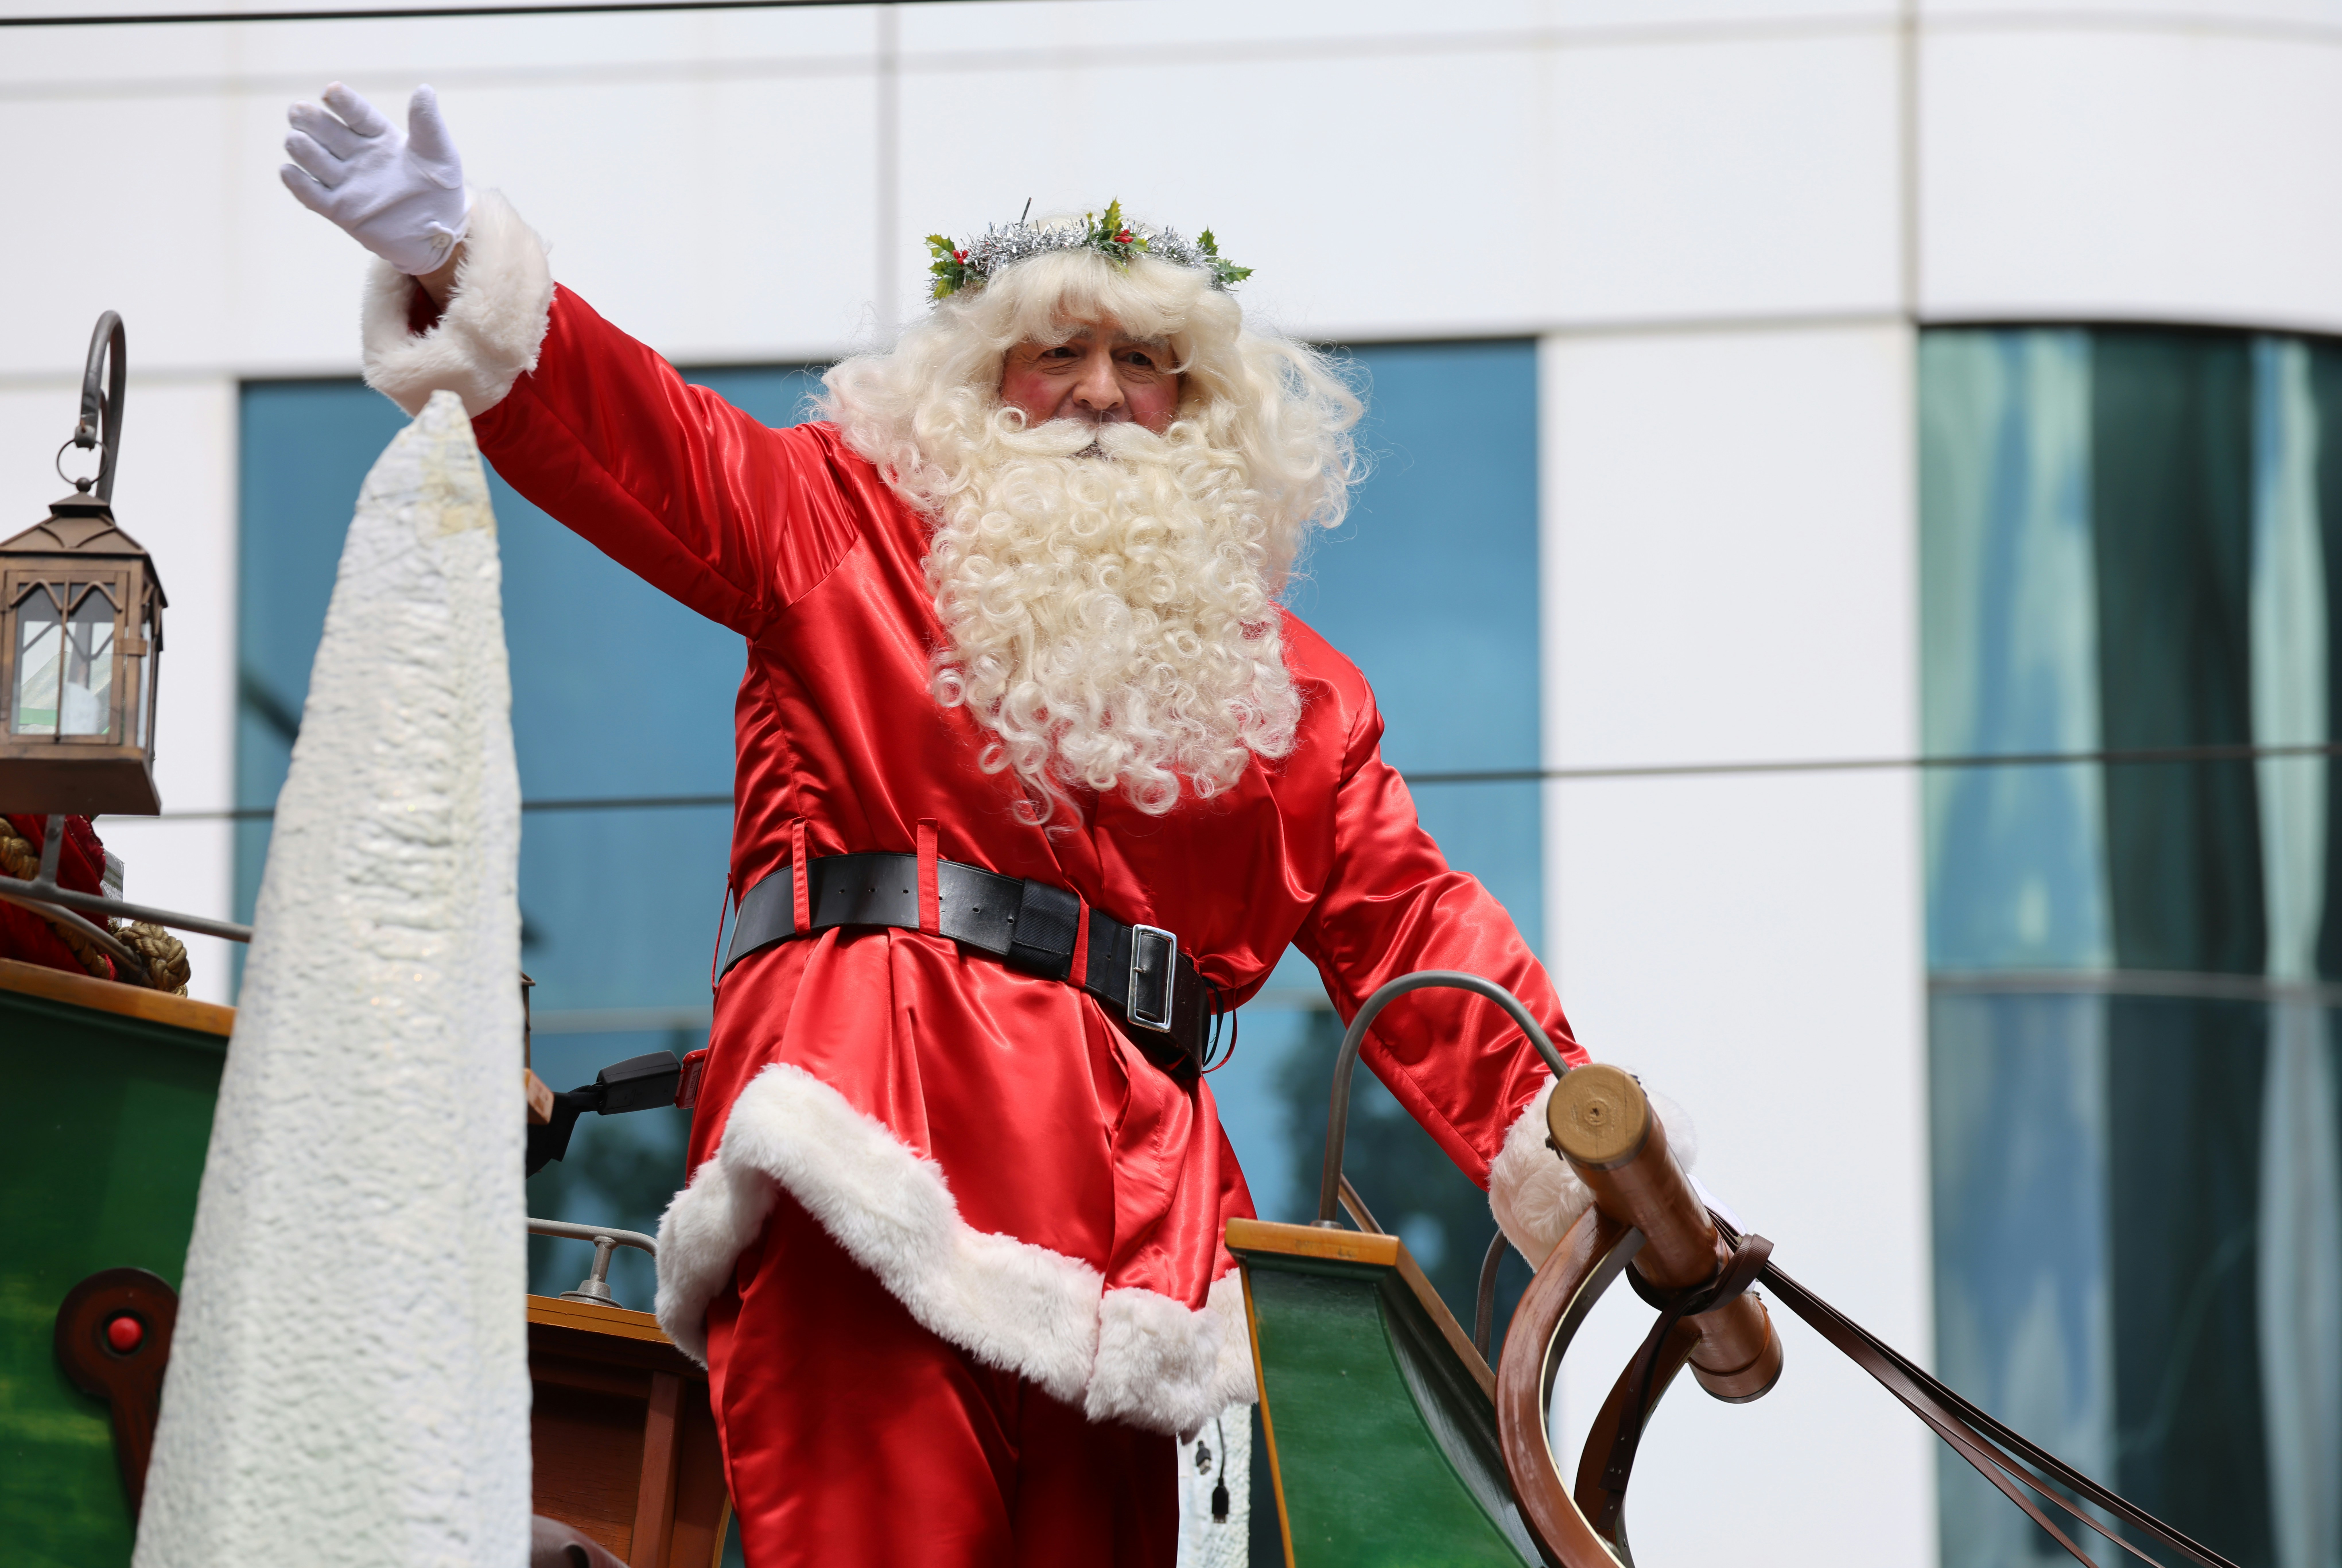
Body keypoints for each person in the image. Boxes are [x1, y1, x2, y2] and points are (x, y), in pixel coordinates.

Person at [282, 82, 1602, 1567]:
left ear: (1202, 413)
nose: (1101, 391)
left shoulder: (1293, 697)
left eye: (1146, 361)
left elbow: (1426, 941)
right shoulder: (841, 528)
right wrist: (461, 264)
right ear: (984, 383)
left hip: (1133, 1272)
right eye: (1061, 352)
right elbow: (652, 439)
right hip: (871, 1158)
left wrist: (1602, 1163)